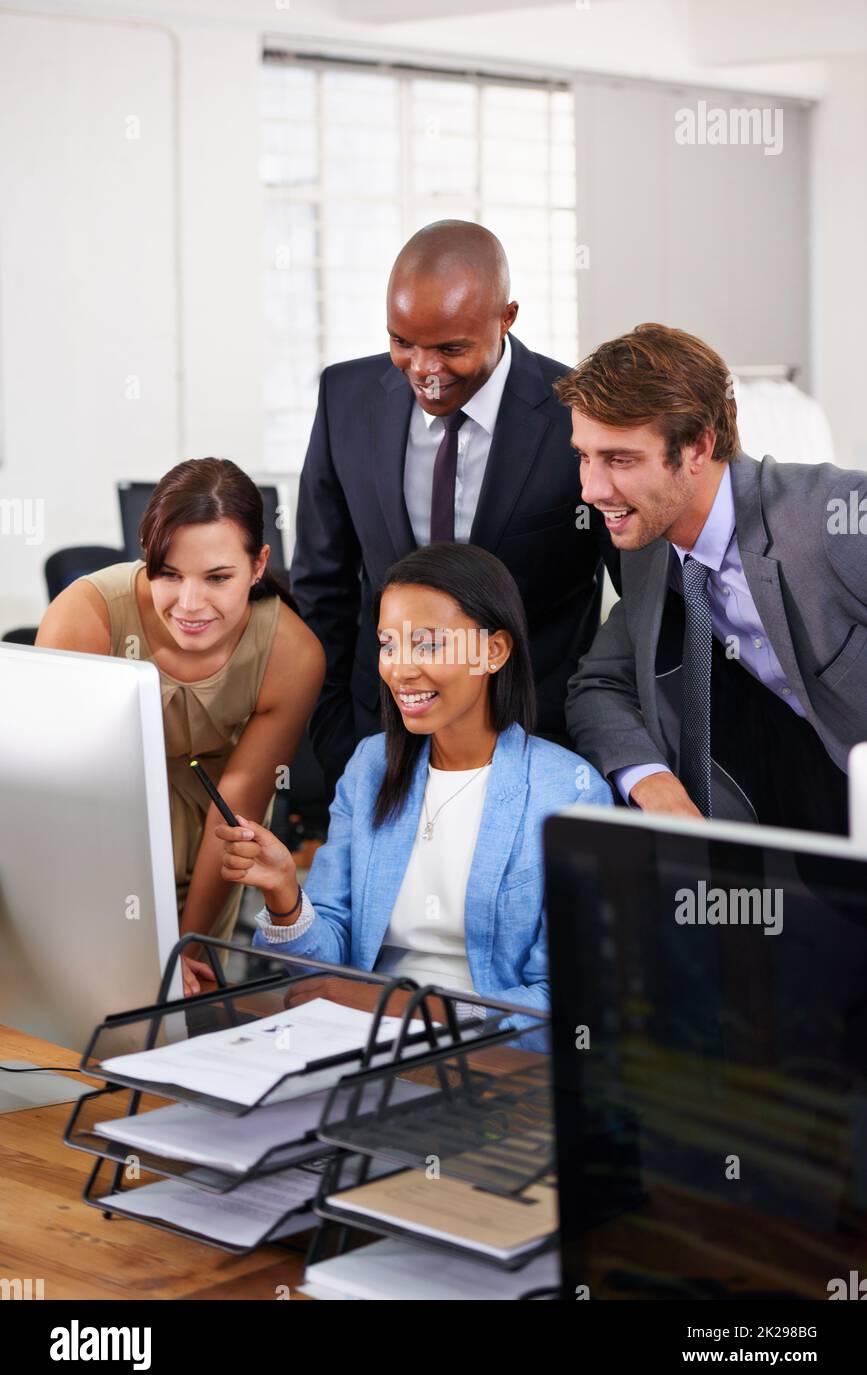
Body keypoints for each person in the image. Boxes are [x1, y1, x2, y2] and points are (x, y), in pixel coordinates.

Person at [216, 543, 612, 1046]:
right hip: (358, 1042)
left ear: (493, 651)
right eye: (388, 644)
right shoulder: (370, 767)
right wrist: (284, 895)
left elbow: (568, 998)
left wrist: (408, 1010)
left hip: (489, 1063)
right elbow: (321, 971)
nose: (400, 670)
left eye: (426, 644)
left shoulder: (570, 795)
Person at [290, 218, 619, 796]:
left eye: (451, 348)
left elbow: (636, 610)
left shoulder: (578, 412)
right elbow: (322, 586)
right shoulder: (345, 398)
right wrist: (336, 737)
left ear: (507, 318)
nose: (425, 370)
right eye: (402, 342)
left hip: (535, 741)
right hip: (381, 735)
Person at [559, 323, 867, 834]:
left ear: (698, 448)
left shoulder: (834, 518)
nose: (591, 490)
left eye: (620, 459)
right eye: (584, 457)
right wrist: (652, 783)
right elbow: (599, 685)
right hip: (791, 839)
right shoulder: (647, 544)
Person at [36, 458, 325, 990]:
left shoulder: (291, 652)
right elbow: (62, 801)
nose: (190, 604)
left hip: (212, 829)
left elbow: (235, 804)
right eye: (168, 574)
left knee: (181, 1001)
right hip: (101, 829)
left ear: (258, 565)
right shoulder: (86, 616)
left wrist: (187, 947)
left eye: (218, 577)